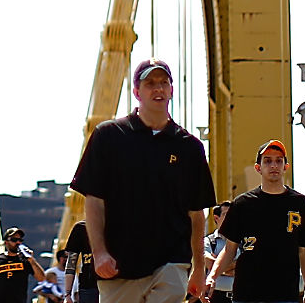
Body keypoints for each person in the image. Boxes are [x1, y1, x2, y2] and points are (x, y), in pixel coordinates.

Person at [69, 59, 215, 303]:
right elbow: (94, 200)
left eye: (163, 83)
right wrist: (100, 253)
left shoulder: (189, 147)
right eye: (150, 83)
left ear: (171, 90)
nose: (158, 89)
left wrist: (198, 267)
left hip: (171, 263)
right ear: (137, 92)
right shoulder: (108, 136)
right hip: (119, 266)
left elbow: (196, 212)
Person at [207, 141, 305, 303]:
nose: (274, 165)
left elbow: (304, 251)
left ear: (286, 166)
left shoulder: (300, 203)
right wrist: (212, 277)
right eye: (267, 161)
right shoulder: (242, 204)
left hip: (285, 294)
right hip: (247, 294)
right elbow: (229, 250)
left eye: (279, 161)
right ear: (258, 168)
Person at [0, 228, 47, 303]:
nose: (18, 242)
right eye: (14, 240)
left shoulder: (25, 260)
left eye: (20, 240)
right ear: (6, 242)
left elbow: (42, 278)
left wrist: (32, 260)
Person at [202, 205, 233, 303]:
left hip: (240, 295)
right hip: (215, 296)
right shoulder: (209, 241)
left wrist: (219, 265)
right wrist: (235, 266)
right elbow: (209, 263)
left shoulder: (242, 241)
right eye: (226, 214)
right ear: (216, 218)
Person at [57, 225, 94, 303]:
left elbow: (71, 264)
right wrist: (68, 294)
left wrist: (67, 294)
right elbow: (71, 264)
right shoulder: (80, 228)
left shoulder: (80, 227)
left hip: (96, 285)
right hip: (89, 285)